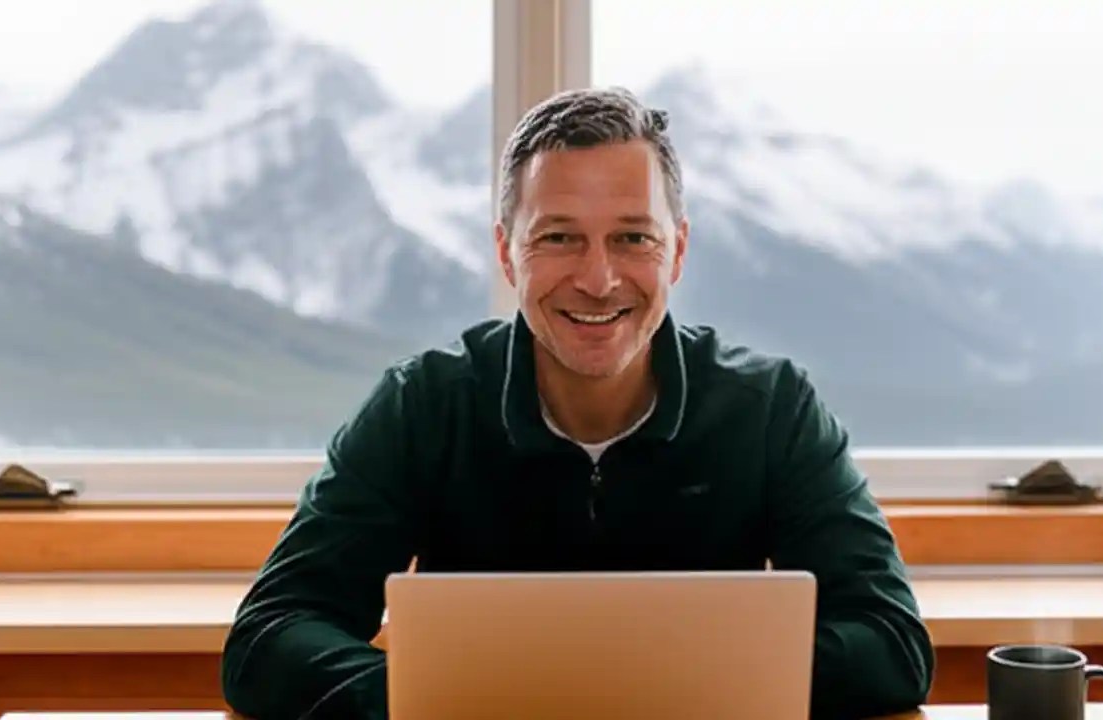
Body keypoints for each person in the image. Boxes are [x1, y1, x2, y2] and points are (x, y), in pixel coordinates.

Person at [221, 86, 935, 720]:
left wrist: (651, 691)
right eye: (559, 238)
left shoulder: (772, 408)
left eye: (632, 238)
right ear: (508, 256)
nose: (598, 279)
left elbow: (892, 644)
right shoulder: (423, 407)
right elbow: (268, 640)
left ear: (677, 252)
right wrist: (440, 699)